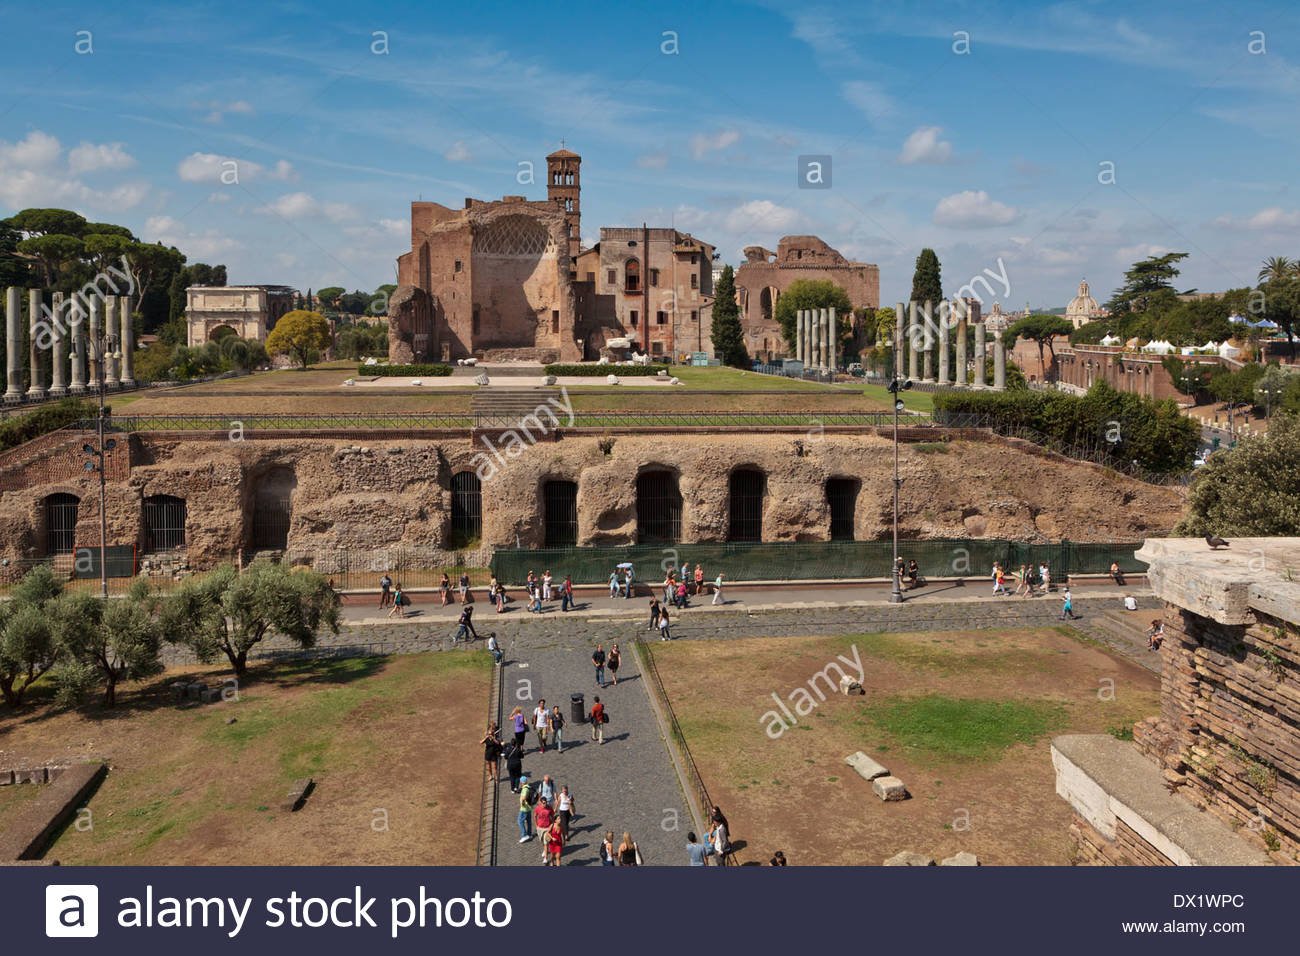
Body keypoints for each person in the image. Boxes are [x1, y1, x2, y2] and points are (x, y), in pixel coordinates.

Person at [517, 776, 534, 843]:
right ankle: (529, 834)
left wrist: (522, 804)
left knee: (520, 821)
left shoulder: (524, 789)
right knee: (528, 821)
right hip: (529, 807)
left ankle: (524, 835)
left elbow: (523, 798)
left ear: (521, 782)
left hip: (524, 808)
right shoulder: (528, 787)